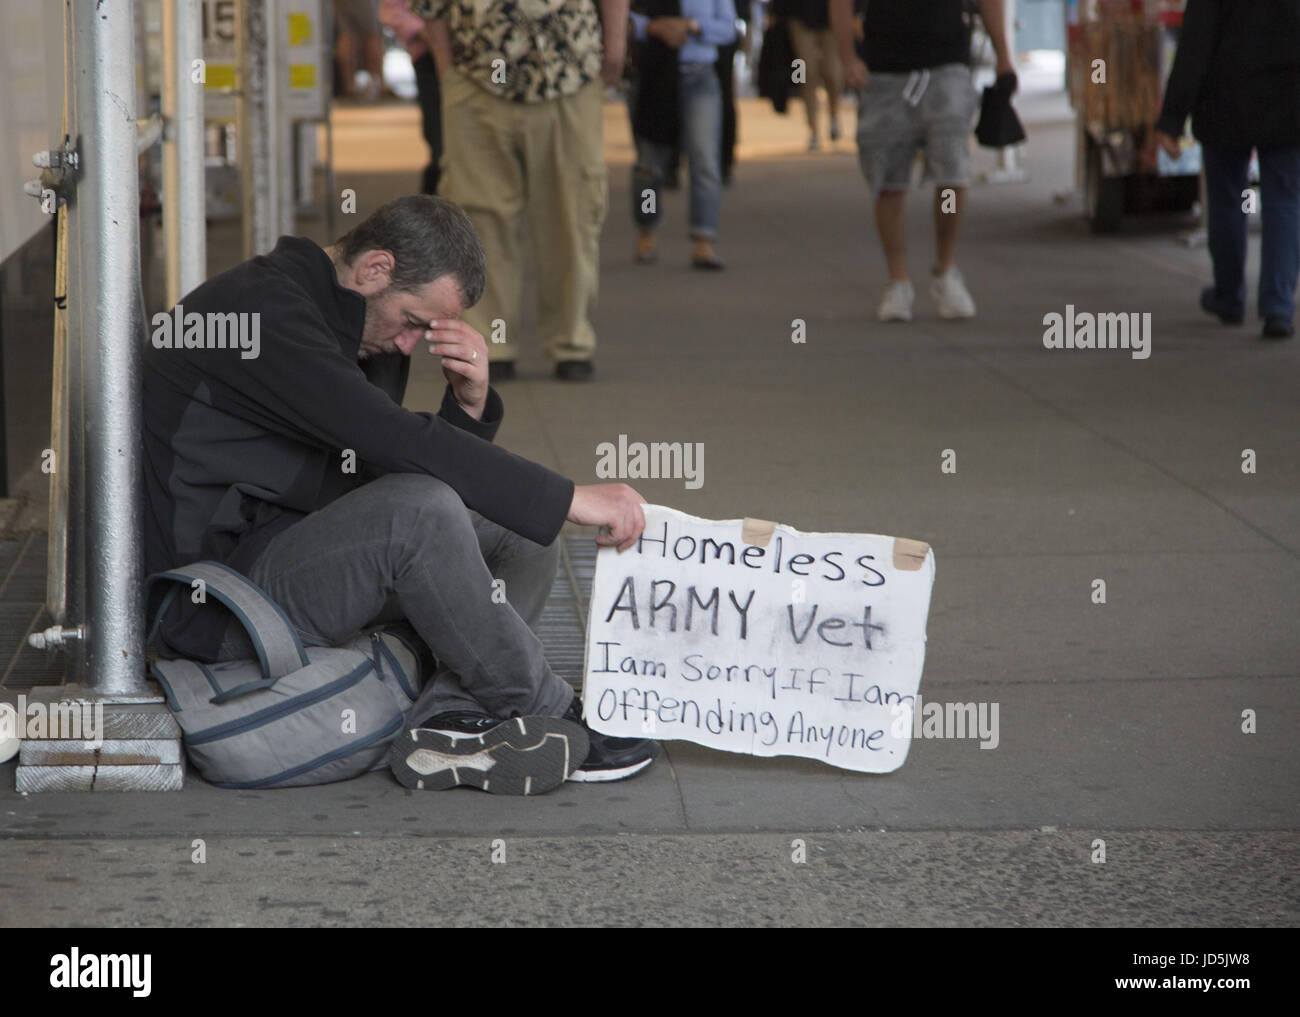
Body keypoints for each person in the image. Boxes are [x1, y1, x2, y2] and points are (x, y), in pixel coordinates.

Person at [142, 196, 660, 794]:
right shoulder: (262, 315)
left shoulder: (343, 316)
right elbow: (390, 443)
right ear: (375, 269)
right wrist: (570, 497)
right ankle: (546, 710)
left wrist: (467, 406)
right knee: (419, 515)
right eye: (413, 321)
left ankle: (452, 718)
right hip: (215, 601)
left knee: (517, 530)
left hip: (285, 544)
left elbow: (376, 461)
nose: (412, 344)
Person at [413, 0, 629, 382]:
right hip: (476, 78)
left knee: (573, 214)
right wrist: (448, 76)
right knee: (480, 216)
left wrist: (615, 47)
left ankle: (572, 341)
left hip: (570, 76)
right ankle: (492, 344)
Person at [829, 0, 1014, 321]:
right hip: (884, 69)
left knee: (952, 174)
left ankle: (945, 268)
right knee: (888, 180)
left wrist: (1004, 57)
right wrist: (847, 58)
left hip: (948, 65)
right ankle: (898, 281)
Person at [1154, 0, 1300, 341]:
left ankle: (1229, 295)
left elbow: (1196, 41)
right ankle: (1278, 307)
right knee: (1284, 202)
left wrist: (1173, 118)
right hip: (1288, 100)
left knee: (1227, 202)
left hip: (1225, 100)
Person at [628, 0, 738, 269]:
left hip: (699, 76)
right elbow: (622, 19)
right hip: (654, 74)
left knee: (704, 160)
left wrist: (693, 26)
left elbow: (729, 29)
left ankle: (704, 241)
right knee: (649, 164)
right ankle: (647, 231)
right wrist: (654, 27)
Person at [379, 0, 443, 194]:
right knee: (439, 143)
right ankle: (432, 210)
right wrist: (424, 32)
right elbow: (391, 10)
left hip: (475, 63)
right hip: (428, 57)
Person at [773, 0, 842, 151]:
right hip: (799, 14)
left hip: (832, 15)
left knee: (833, 73)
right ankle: (813, 130)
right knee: (805, 73)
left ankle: (834, 115)